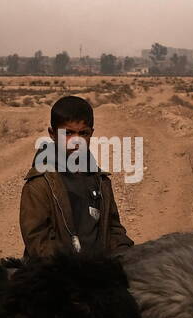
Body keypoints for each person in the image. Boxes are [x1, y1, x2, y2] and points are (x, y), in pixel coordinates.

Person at [19, 95, 133, 258]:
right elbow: (39, 243)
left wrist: (125, 255)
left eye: (83, 133)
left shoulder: (100, 181)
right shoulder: (40, 185)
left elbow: (113, 229)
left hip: (98, 270)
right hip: (57, 274)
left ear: (91, 134)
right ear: (52, 134)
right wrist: (78, 272)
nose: (76, 141)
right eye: (68, 133)